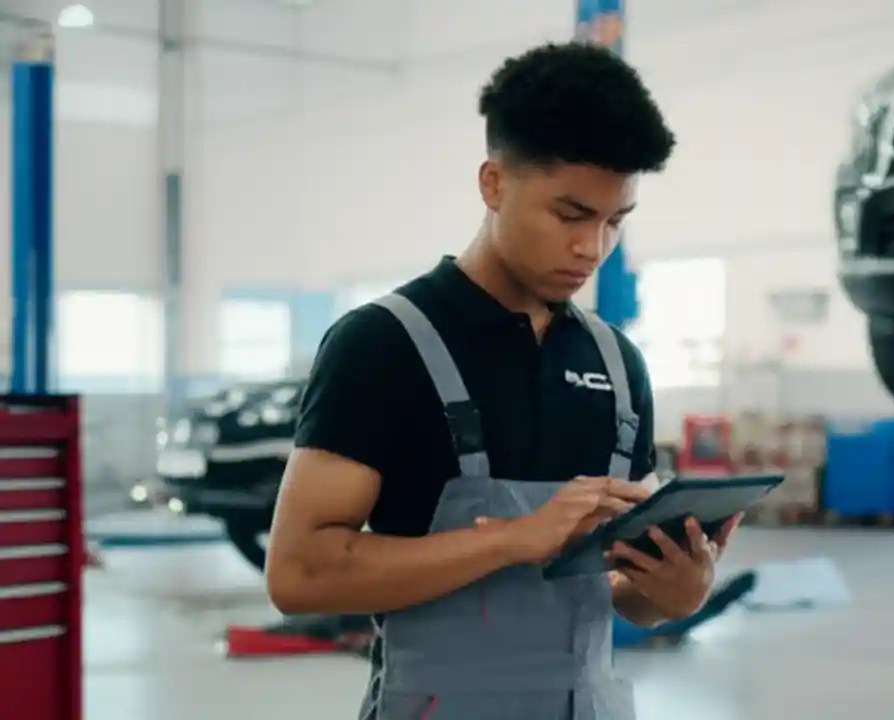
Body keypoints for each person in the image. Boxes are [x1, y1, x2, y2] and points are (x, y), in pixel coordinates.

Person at [264, 42, 742, 720]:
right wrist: (512, 539)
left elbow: (625, 592)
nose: (592, 248)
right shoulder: (382, 345)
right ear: (493, 183)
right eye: (570, 215)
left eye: (614, 222)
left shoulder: (617, 365)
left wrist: (681, 586)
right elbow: (299, 573)